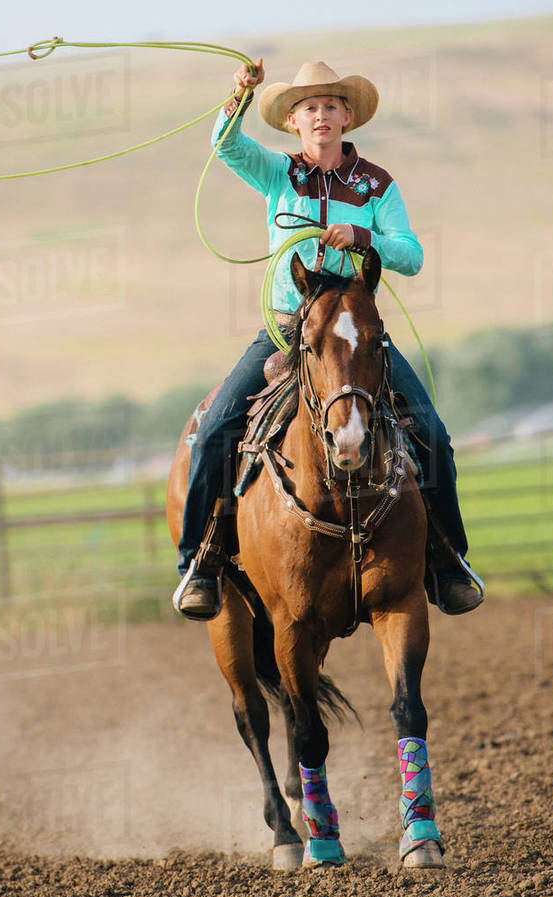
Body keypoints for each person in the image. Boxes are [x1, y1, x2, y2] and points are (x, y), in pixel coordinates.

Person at [172, 58, 484, 622]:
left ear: (347, 118)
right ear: (293, 121)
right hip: (289, 332)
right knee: (216, 425)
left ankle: (447, 561)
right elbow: (225, 145)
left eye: (331, 106)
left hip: (357, 334)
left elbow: (410, 255)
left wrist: (365, 236)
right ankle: (201, 561)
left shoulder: (375, 185)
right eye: (309, 107)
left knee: (431, 433)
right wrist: (240, 95)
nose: (321, 115)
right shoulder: (277, 173)